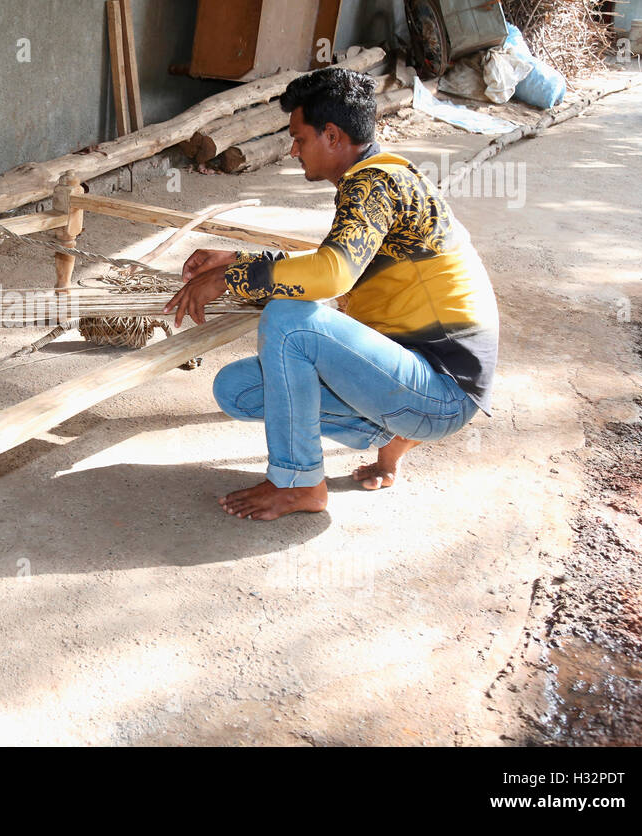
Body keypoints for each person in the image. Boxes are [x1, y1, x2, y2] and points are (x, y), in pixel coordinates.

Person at [165, 68, 499, 521]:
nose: (292, 149)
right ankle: (388, 435)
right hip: (416, 378)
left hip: (441, 389)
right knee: (238, 390)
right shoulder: (378, 181)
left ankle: (300, 483)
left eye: (299, 139)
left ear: (333, 135)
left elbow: (333, 273)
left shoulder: (375, 184)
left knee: (288, 321)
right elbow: (331, 261)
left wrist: (233, 276)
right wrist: (235, 259)